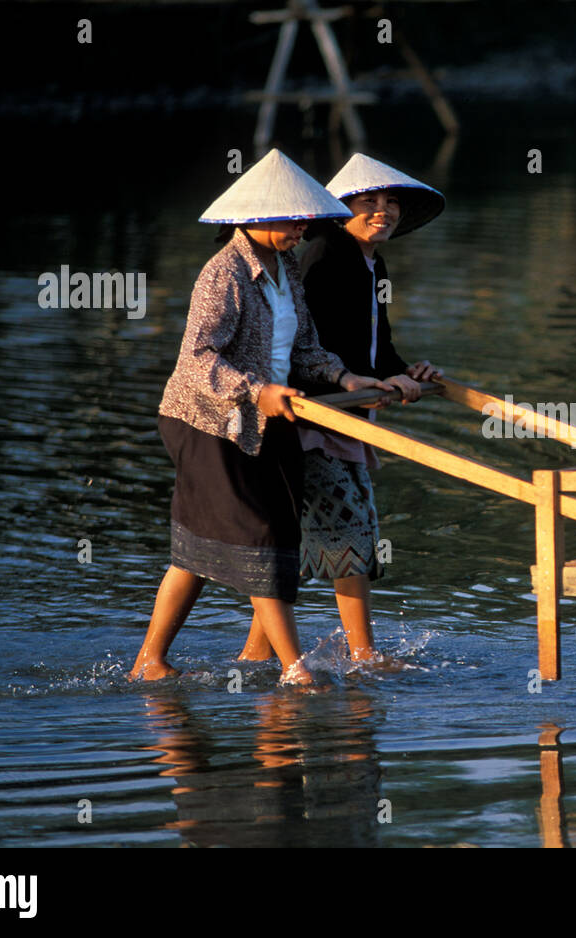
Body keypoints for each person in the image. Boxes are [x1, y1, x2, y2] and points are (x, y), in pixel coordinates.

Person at [129, 149, 393, 684]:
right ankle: (294, 668)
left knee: (201, 551)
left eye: (303, 222)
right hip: (207, 422)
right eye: (292, 221)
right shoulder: (223, 273)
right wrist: (255, 390)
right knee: (260, 537)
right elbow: (198, 358)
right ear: (256, 218)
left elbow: (305, 349)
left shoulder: (286, 268)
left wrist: (347, 379)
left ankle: (153, 661)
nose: (301, 231)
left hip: (268, 421)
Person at [238, 153, 445, 664]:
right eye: (369, 202)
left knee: (315, 537)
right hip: (310, 417)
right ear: (341, 210)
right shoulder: (326, 253)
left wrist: (404, 371)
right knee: (348, 530)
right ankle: (364, 655)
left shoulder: (371, 261)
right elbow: (306, 344)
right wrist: (366, 381)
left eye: (391, 202)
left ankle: (254, 659)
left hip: (346, 414)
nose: (384, 211)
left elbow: (377, 341)